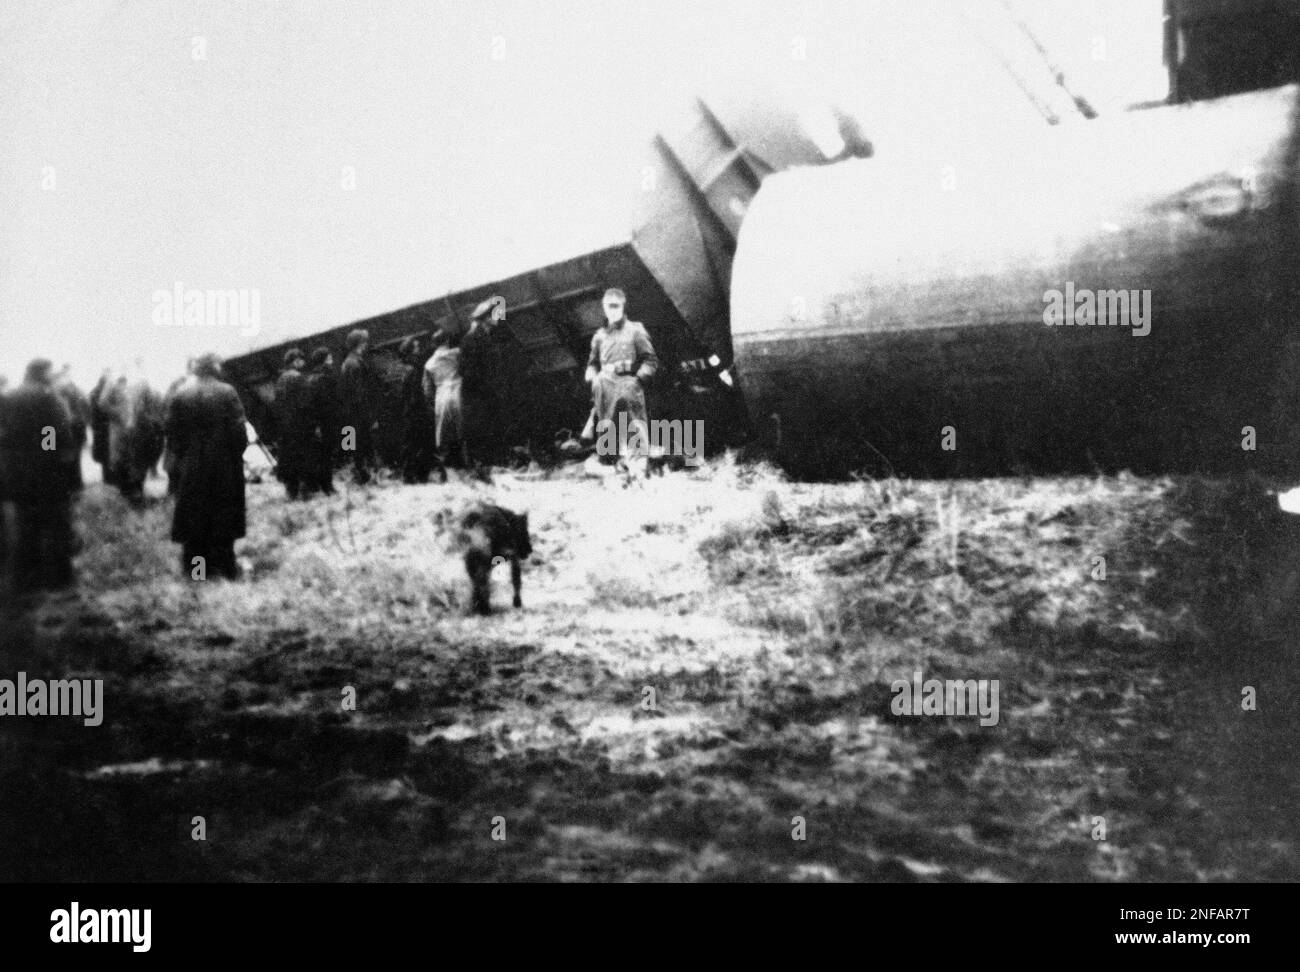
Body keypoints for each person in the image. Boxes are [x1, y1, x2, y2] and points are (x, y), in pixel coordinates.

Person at [164, 353, 247, 580]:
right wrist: (233, 455)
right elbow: (239, 431)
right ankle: (226, 569)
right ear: (214, 368)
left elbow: (172, 433)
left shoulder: (181, 395)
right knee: (223, 517)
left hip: (192, 467)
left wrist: (186, 458)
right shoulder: (227, 391)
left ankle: (199, 573)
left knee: (196, 520)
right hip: (224, 466)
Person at [0, 359, 78, 592]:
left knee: (26, 525)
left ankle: (26, 578)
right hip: (45, 471)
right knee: (55, 524)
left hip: (17, 472)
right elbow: (54, 429)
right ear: (42, 373)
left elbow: (4, 433)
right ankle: (58, 578)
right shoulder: (47, 395)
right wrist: (49, 452)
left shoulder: (9, 396)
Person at [584, 287, 658, 460]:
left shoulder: (635, 330)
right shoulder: (599, 337)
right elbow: (592, 365)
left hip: (628, 385)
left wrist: (638, 380)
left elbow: (651, 360)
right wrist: (594, 380)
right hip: (605, 388)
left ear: (623, 306)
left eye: (616, 306)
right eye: (609, 306)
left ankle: (640, 468)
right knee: (607, 433)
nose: (613, 310)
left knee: (635, 431)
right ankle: (613, 467)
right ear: (604, 308)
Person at [423, 327, 468, 477]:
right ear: (447, 340)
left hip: (441, 396)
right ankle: (467, 465)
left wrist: (431, 402)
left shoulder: (429, 364)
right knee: (462, 430)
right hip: (458, 391)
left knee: (443, 433)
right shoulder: (457, 353)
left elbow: (427, 389)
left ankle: (446, 469)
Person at [273, 347, 313, 499]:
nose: (302, 363)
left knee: (289, 458)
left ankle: (292, 491)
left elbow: (277, 403)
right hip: (299, 424)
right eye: (301, 360)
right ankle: (306, 491)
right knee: (304, 456)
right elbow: (305, 403)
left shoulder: (281, 379)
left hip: (286, 425)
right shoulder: (297, 377)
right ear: (296, 361)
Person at [398, 336, 439, 484]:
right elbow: (416, 393)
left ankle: (409, 475)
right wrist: (426, 408)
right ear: (411, 351)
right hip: (417, 412)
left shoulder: (403, 368)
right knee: (425, 443)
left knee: (410, 445)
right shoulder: (413, 369)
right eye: (416, 347)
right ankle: (422, 475)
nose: (418, 349)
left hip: (408, 412)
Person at [338, 329, 377, 484]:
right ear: (360, 344)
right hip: (359, 411)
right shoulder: (355, 363)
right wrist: (370, 415)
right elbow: (360, 391)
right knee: (362, 442)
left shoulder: (348, 362)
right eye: (364, 342)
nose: (366, 345)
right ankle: (364, 475)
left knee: (356, 444)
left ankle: (362, 474)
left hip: (352, 411)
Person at [304, 347, 339, 495]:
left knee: (324, 454)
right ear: (324, 360)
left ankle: (324, 485)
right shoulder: (323, 378)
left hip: (320, 423)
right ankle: (327, 486)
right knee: (327, 454)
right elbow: (326, 402)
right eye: (329, 359)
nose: (331, 362)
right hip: (327, 422)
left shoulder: (311, 379)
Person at [52, 364, 90, 493]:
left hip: (71, 429)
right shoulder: (69, 390)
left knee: (71, 459)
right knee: (71, 459)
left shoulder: (66, 390)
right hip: (69, 429)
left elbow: (84, 408)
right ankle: (75, 486)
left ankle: (73, 487)